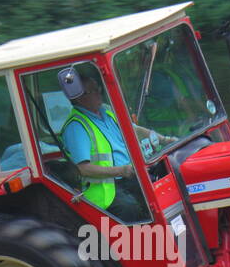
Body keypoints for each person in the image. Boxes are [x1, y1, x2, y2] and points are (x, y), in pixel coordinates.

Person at [57, 65, 157, 222]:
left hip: (130, 176)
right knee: (130, 208)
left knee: (159, 186)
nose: (99, 94)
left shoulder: (107, 112)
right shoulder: (76, 126)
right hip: (106, 188)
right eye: (94, 91)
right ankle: (134, 245)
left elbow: (134, 130)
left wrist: (164, 139)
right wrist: (122, 170)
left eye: (98, 89)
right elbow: (82, 169)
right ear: (79, 98)